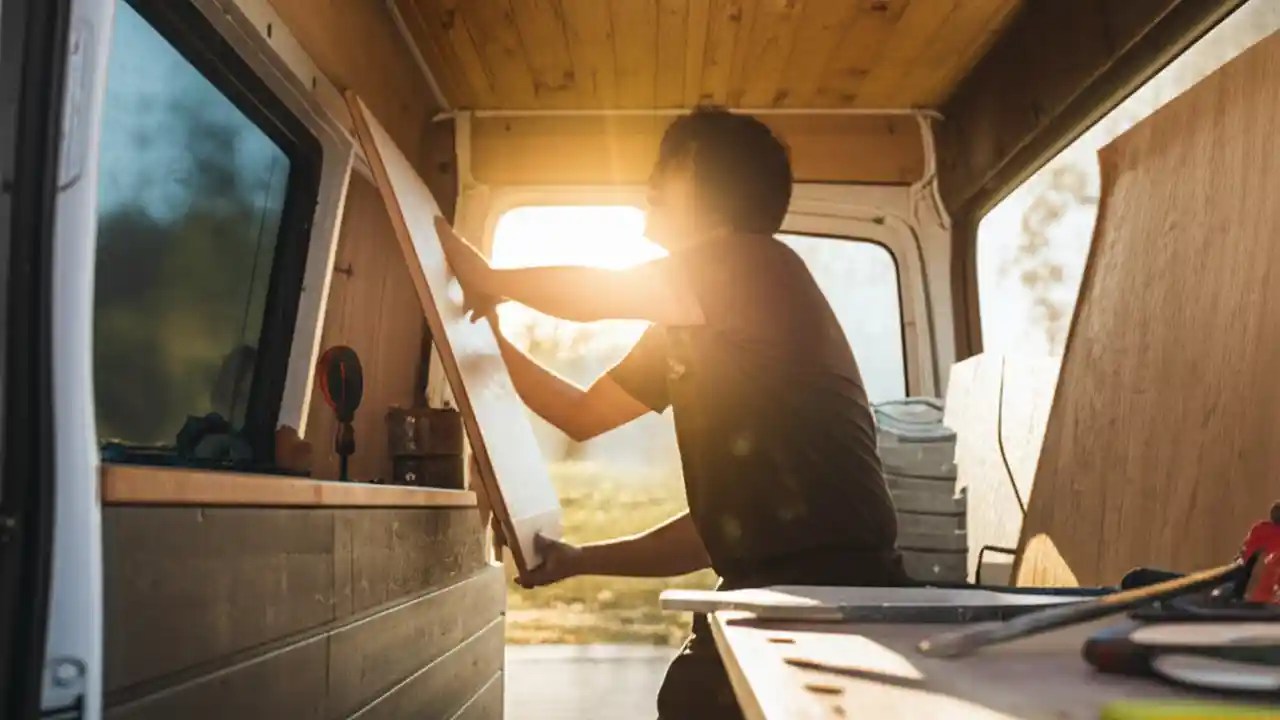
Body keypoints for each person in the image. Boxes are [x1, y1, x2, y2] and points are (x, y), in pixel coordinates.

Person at [436, 107, 907, 719]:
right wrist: (490, 334)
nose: (649, 186)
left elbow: (599, 296)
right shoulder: (688, 330)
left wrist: (488, 277)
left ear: (706, 180)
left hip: (837, 597)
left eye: (667, 167)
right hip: (771, 594)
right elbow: (578, 414)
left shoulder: (753, 262)